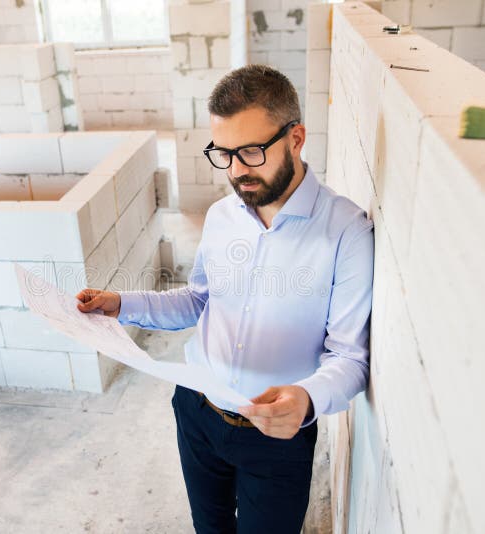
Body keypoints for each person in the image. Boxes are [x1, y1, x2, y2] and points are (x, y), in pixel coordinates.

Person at [76, 64, 375, 534]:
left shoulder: (346, 232)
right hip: (196, 410)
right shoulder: (221, 216)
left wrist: (307, 398)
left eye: (252, 151)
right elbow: (199, 301)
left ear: (295, 138)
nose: (236, 170)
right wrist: (122, 304)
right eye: (224, 153)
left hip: (276, 438)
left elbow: (351, 357)